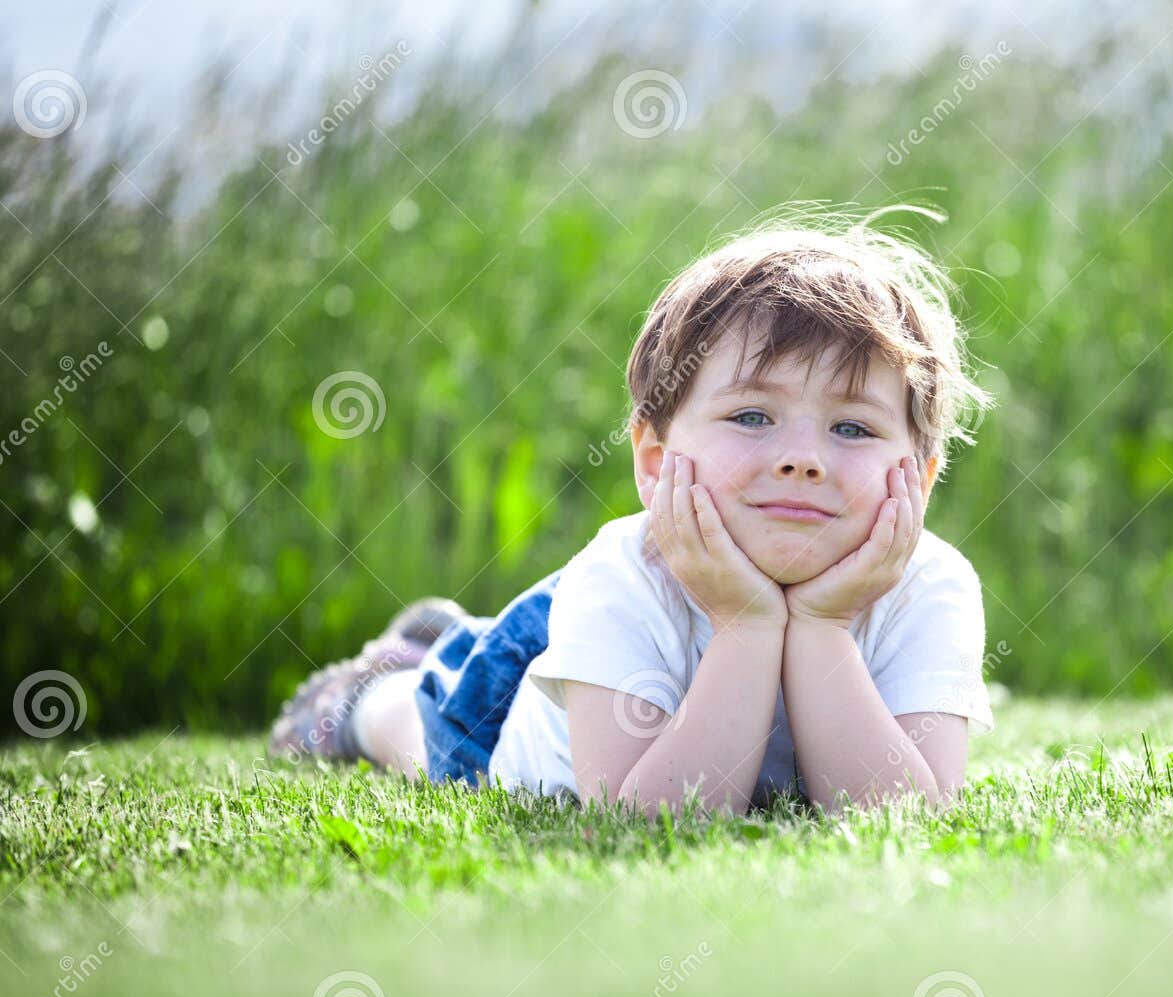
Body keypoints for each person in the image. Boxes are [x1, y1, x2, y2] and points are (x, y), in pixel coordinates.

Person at [269, 205, 997, 816]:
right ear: (654, 460)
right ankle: (374, 685)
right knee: (422, 738)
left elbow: (905, 817)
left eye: (852, 428)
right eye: (751, 416)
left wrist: (822, 625)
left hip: (605, 643)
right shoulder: (622, 576)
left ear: (922, 478)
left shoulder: (931, 586)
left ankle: (440, 636)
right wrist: (747, 627)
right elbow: (644, 819)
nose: (802, 458)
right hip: (520, 700)